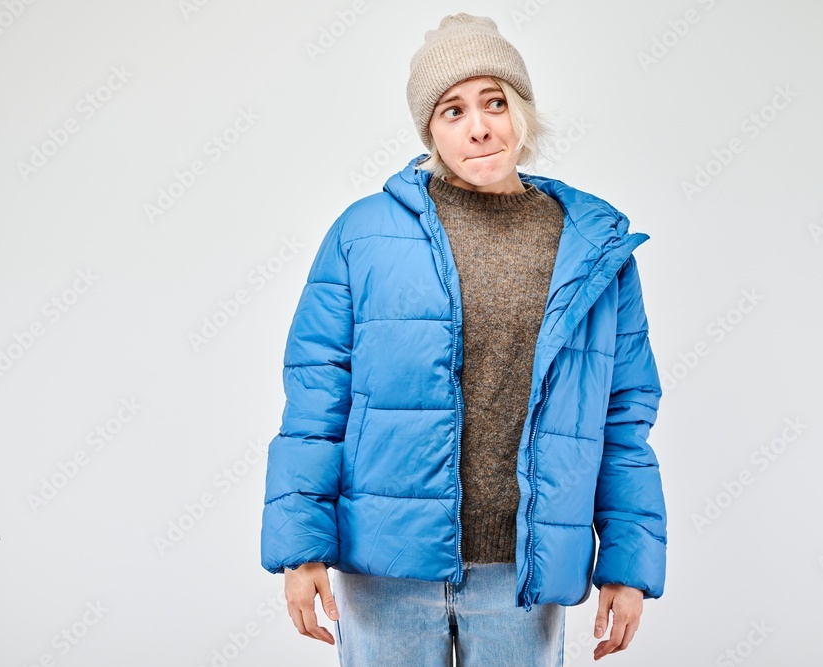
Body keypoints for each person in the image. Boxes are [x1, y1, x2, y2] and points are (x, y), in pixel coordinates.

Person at [260, 13, 667, 666]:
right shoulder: (363, 235)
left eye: (494, 102)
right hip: (385, 565)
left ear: (521, 112)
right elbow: (316, 396)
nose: (478, 126)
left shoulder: (590, 247)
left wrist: (627, 561)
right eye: (453, 110)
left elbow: (624, 416)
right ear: (430, 129)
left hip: (523, 571)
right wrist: (300, 545)